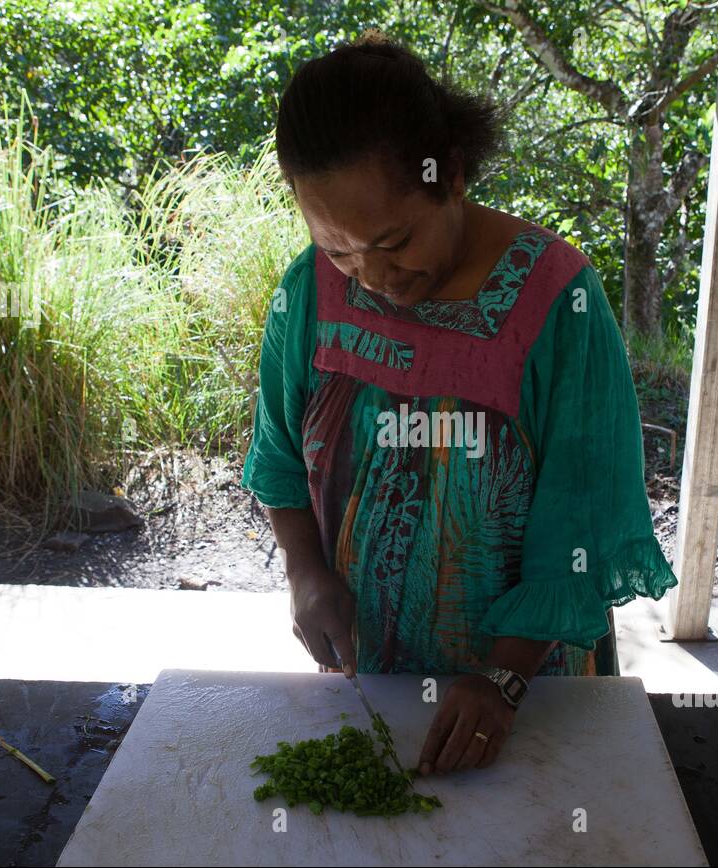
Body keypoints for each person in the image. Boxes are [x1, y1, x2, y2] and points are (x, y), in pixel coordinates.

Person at [242, 30, 677, 776]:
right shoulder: (309, 290)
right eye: (339, 247)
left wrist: (502, 679)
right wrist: (303, 572)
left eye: (394, 239)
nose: (370, 274)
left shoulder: (556, 303)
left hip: (527, 694)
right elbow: (279, 453)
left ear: (453, 177)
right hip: (371, 680)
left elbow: (579, 518)